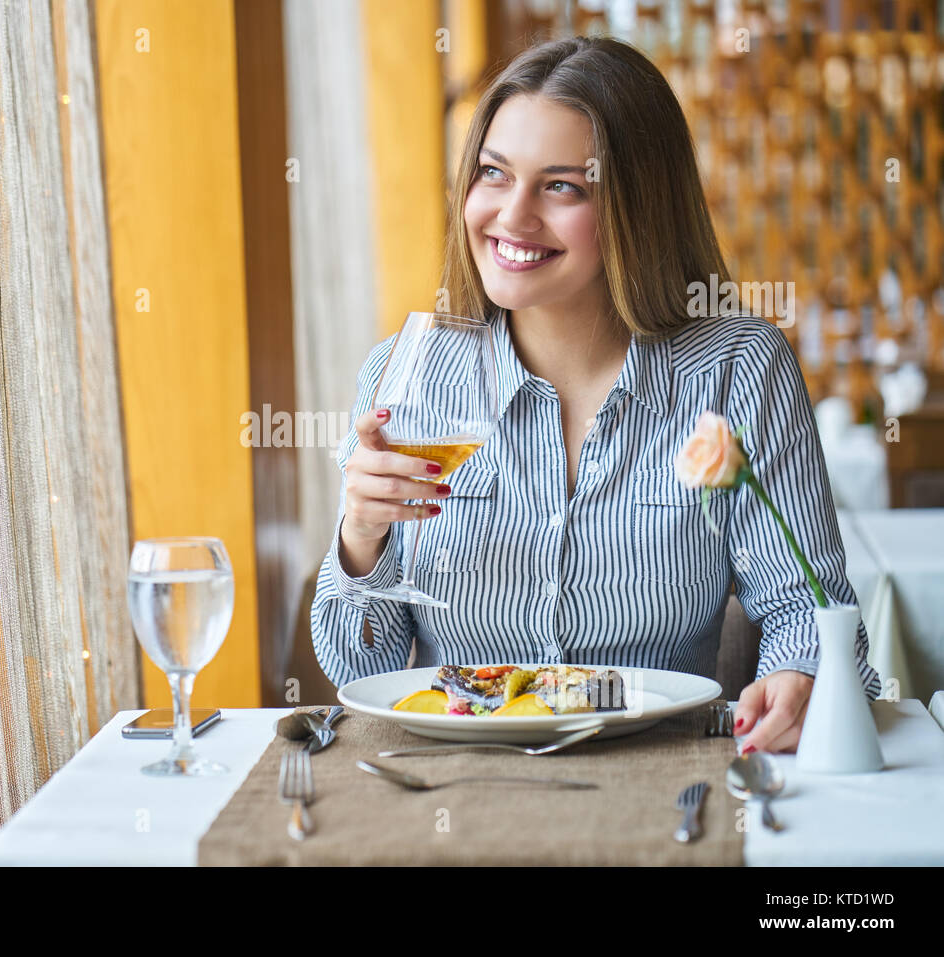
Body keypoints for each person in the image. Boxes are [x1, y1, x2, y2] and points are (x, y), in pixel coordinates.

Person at [309, 35, 880, 755]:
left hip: (665, 783)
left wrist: (799, 673)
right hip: (457, 782)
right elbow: (363, 670)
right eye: (493, 173)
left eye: (561, 186)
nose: (512, 217)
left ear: (638, 206)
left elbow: (809, 606)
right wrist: (362, 541)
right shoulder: (407, 377)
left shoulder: (738, 370)